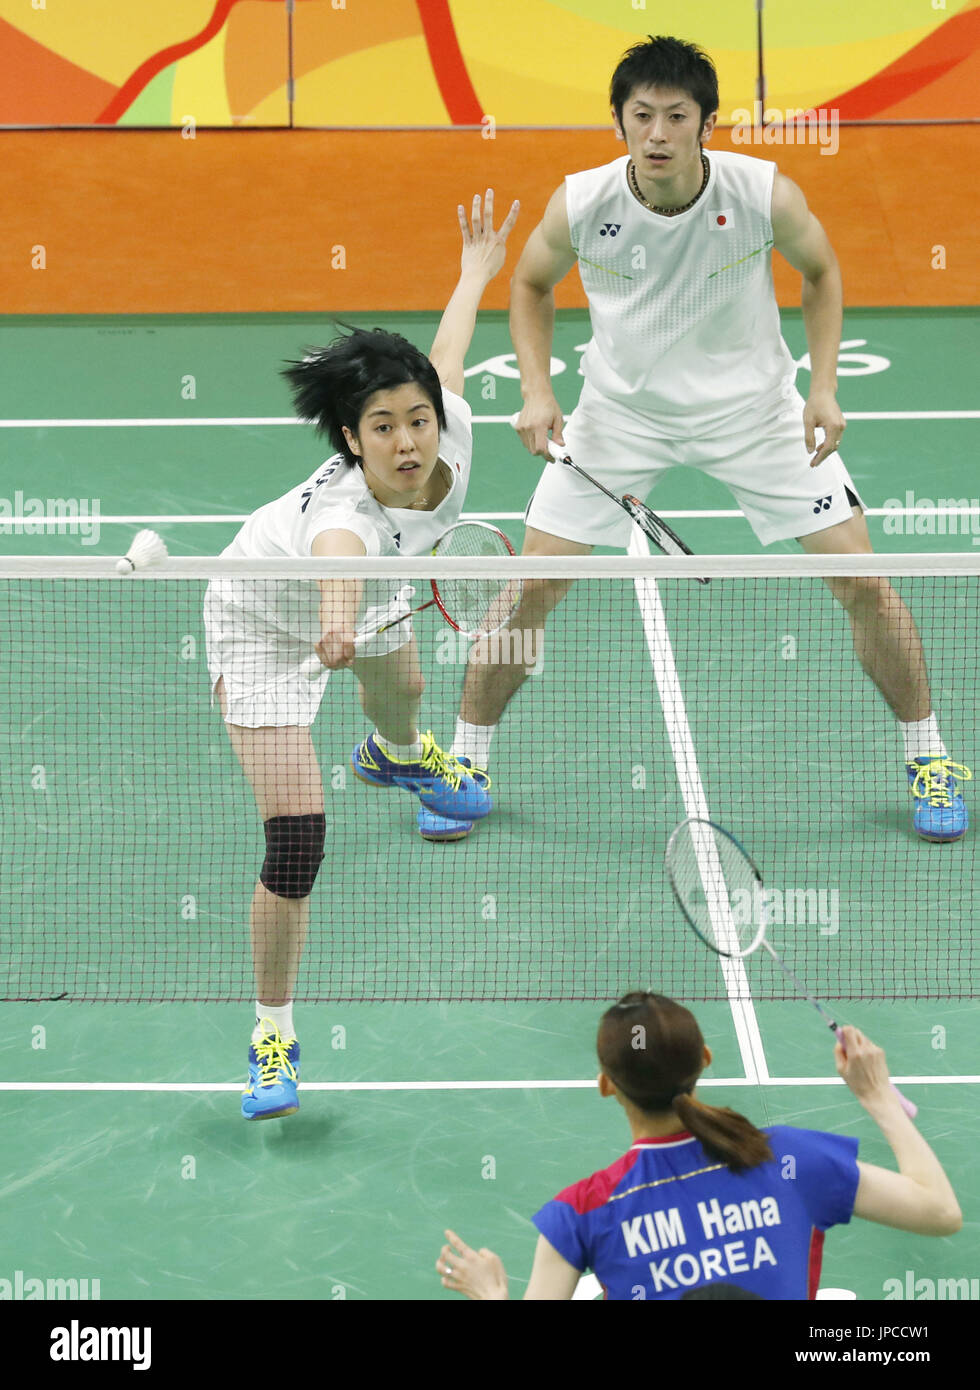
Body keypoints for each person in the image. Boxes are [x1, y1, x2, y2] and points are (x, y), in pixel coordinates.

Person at [440, 36, 969, 844]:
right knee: (531, 590)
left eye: (675, 117)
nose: (656, 133)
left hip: (756, 415)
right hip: (620, 417)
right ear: (617, 121)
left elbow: (821, 272)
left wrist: (822, 385)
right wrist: (538, 389)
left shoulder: (762, 194)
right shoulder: (582, 203)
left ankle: (929, 756)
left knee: (865, 585)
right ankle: (465, 764)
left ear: (706, 125)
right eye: (641, 115)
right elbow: (531, 283)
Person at [203, 191, 519, 1120]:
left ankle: (396, 753)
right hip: (265, 623)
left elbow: (447, 356)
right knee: (297, 837)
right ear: (352, 440)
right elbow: (337, 559)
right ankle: (272, 1035)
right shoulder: (342, 513)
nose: (407, 441)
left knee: (406, 686)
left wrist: (472, 274)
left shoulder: (446, 427)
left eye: (415, 420)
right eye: (382, 429)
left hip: (367, 601)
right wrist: (335, 622)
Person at [435, 992, 961, 1300]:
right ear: (705, 1059)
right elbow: (941, 1212)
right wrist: (879, 1098)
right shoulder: (789, 1158)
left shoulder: (582, 1212)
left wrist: (492, 1294)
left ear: (605, 1085)